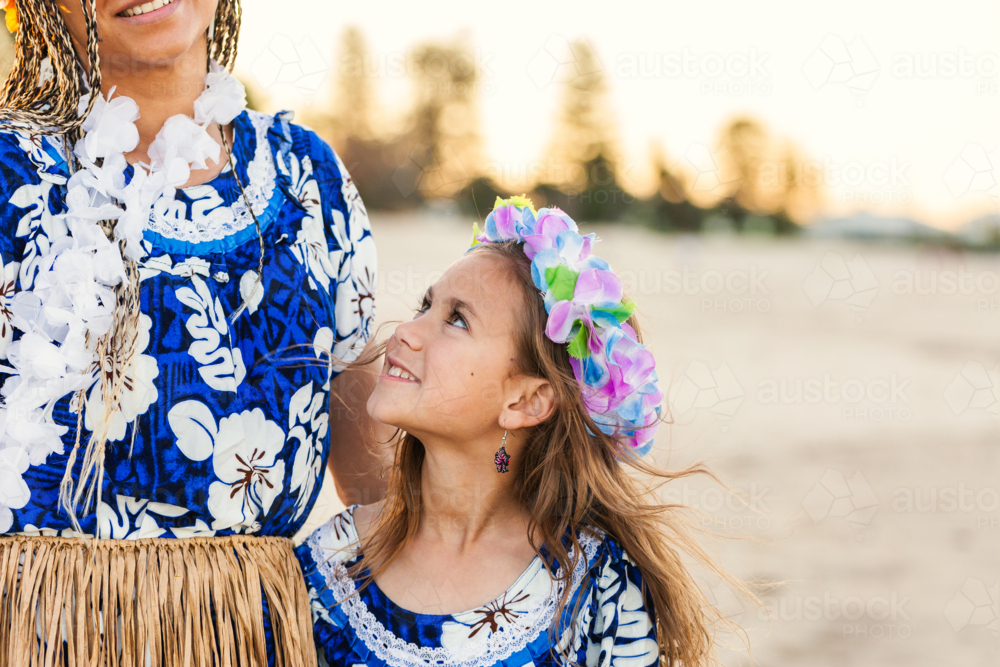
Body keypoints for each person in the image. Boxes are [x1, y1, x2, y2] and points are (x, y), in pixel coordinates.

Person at [0, 0, 389, 664]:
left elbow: (382, 492)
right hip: (39, 634)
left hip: (253, 633)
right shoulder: (11, 171)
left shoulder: (307, 176)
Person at [296, 197, 746, 667]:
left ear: (525, 401)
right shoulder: (331, 562)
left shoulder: (598, 589)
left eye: (456, 319)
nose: (406, 330)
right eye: (425, 305)